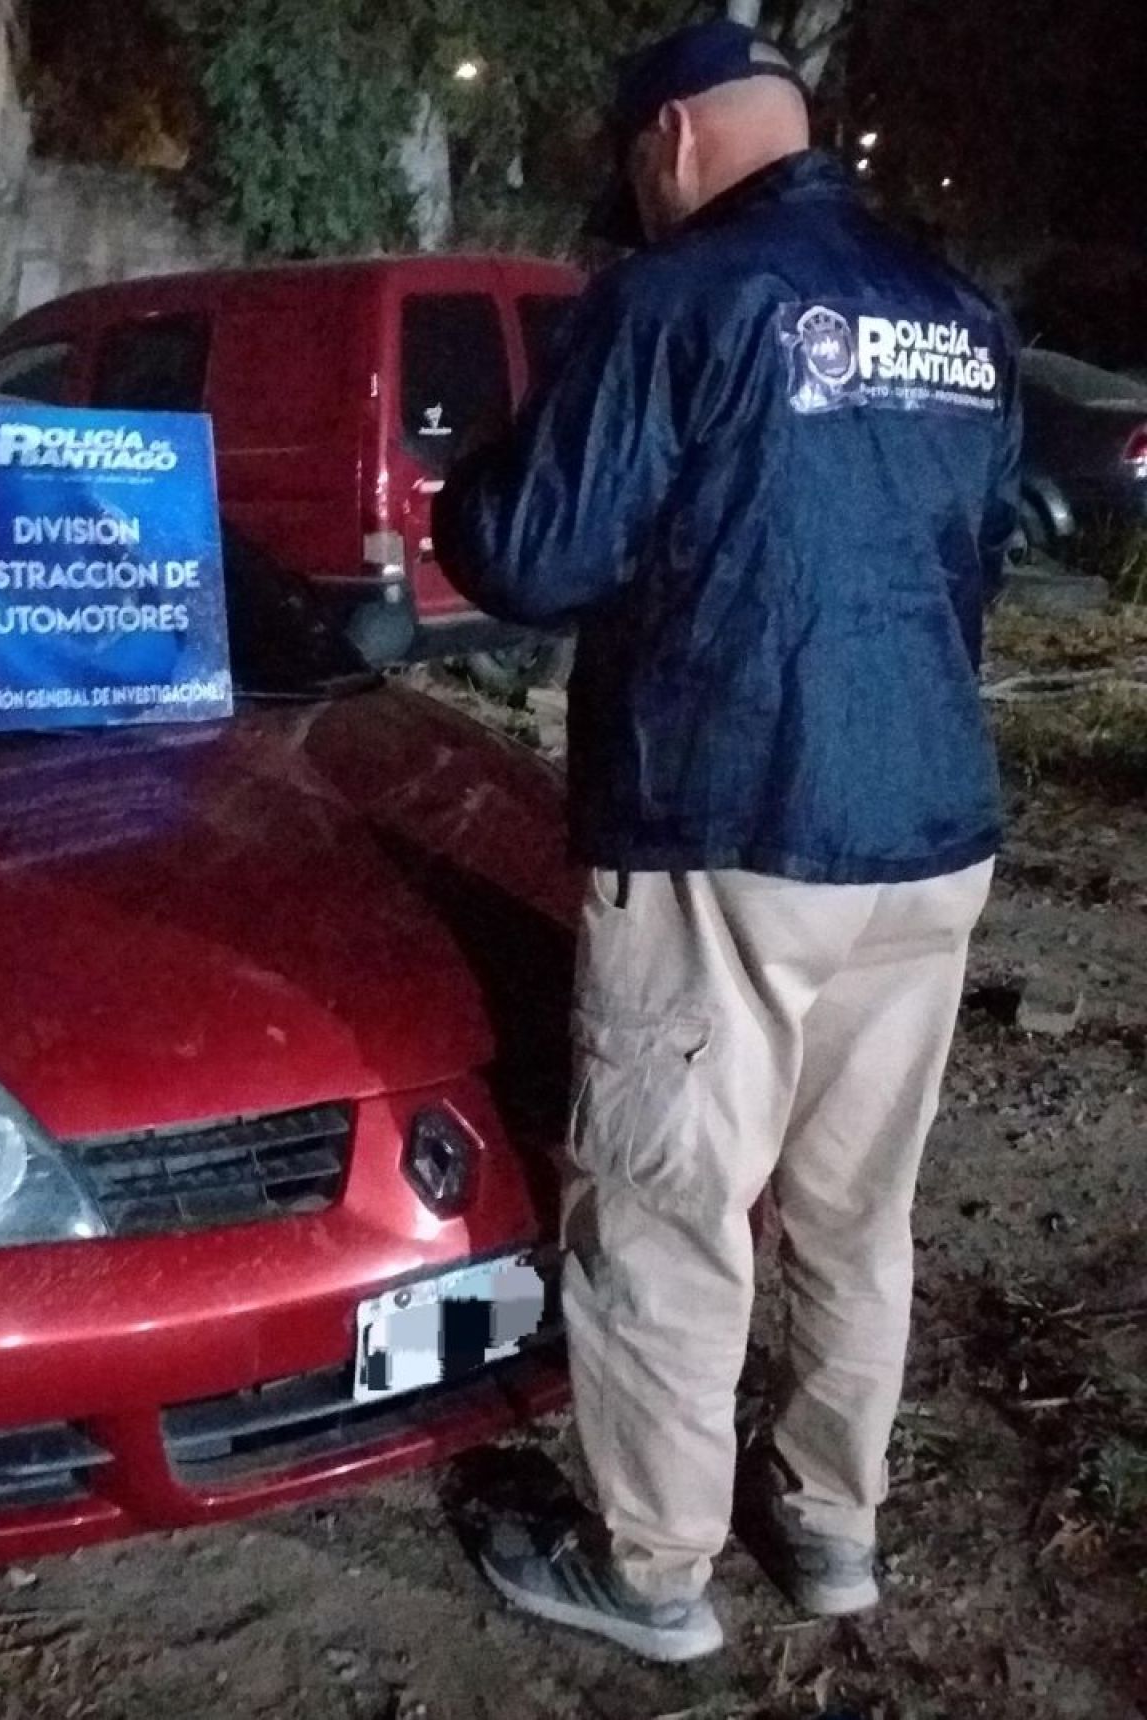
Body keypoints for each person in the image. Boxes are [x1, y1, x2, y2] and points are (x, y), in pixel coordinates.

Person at [434, 20, 1022, 1664]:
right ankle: (833, 1532)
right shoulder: (956, 309)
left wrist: (469, 485)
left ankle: (652, 1570)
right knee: (855, 1211)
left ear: (673, 134)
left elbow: (530, 554)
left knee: (668, 1206)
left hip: (734, 824)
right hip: (925, 829)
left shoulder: (678, 295)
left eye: (634, 164)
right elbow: (970, 562)